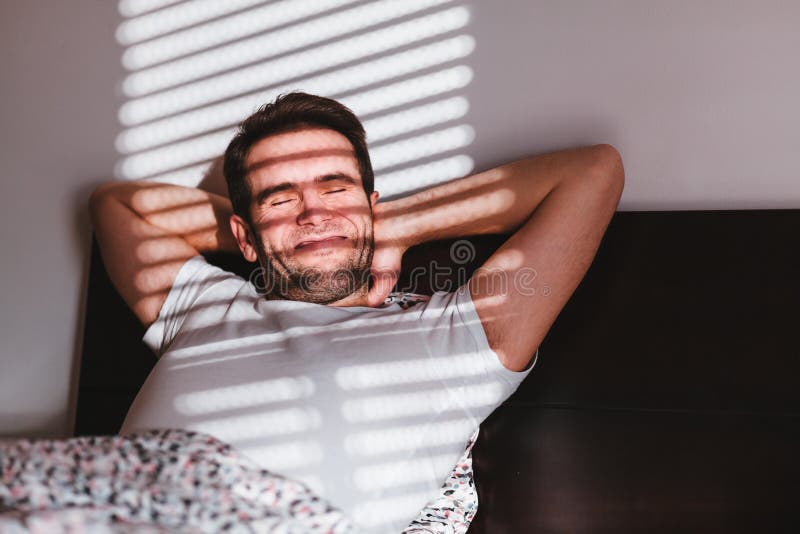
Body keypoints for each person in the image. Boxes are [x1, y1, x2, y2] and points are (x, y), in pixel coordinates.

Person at [89, 92, 624, 532]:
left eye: (335, 189)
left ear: (372, 205)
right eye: (281, 197)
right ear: (244, 237)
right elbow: (114, 205)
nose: (315, 212)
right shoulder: (205, 306)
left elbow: (592, 174)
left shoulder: (452, 338)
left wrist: (397, 225)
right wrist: (278, 233)